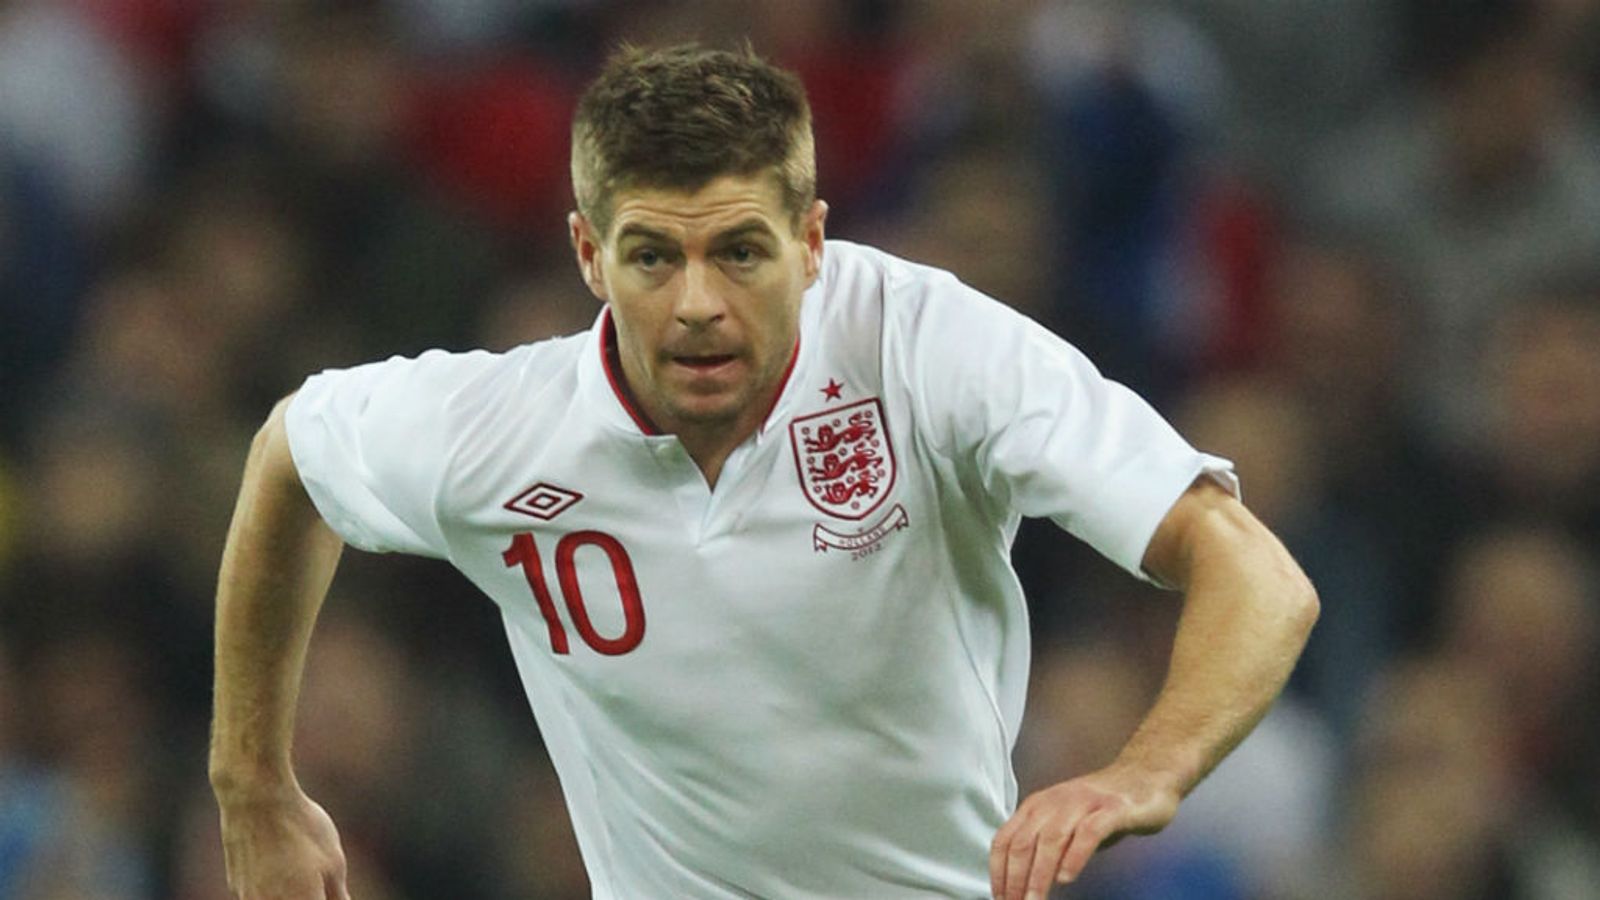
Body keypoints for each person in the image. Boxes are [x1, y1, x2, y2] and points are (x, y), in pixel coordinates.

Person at [208, 44, 1318, 900]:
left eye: (739, 251)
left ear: (813, 241)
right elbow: (290, 458)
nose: (697, 304)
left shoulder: (928, 351)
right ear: (589, 255)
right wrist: (252, 785)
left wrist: (1142, 772)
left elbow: (1257, 576)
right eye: (653, 256)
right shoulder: (501, 433)